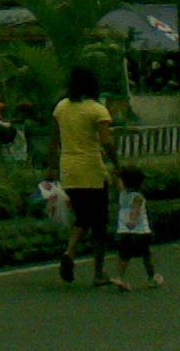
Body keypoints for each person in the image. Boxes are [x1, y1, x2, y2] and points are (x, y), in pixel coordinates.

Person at [52, 66, 117, 286]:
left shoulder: (61, 107)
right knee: (99, 223)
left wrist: (51, 168)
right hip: (92, 170)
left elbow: (55, 140)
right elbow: (107, 141)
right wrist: (117, 162)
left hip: (68, 169)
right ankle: (98, 273)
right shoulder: (97, 110)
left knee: (82, 217)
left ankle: (70, 250)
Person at [109, 165, 164, 291]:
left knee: (124, 257)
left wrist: (116, 176)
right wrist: (133, 220)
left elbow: (119, 185)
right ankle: (151, 278)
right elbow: (136, 209)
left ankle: (120, 277)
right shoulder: (139, 197)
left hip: (123, 232)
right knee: (146, 256)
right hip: (140, 232)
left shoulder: (122, 195)